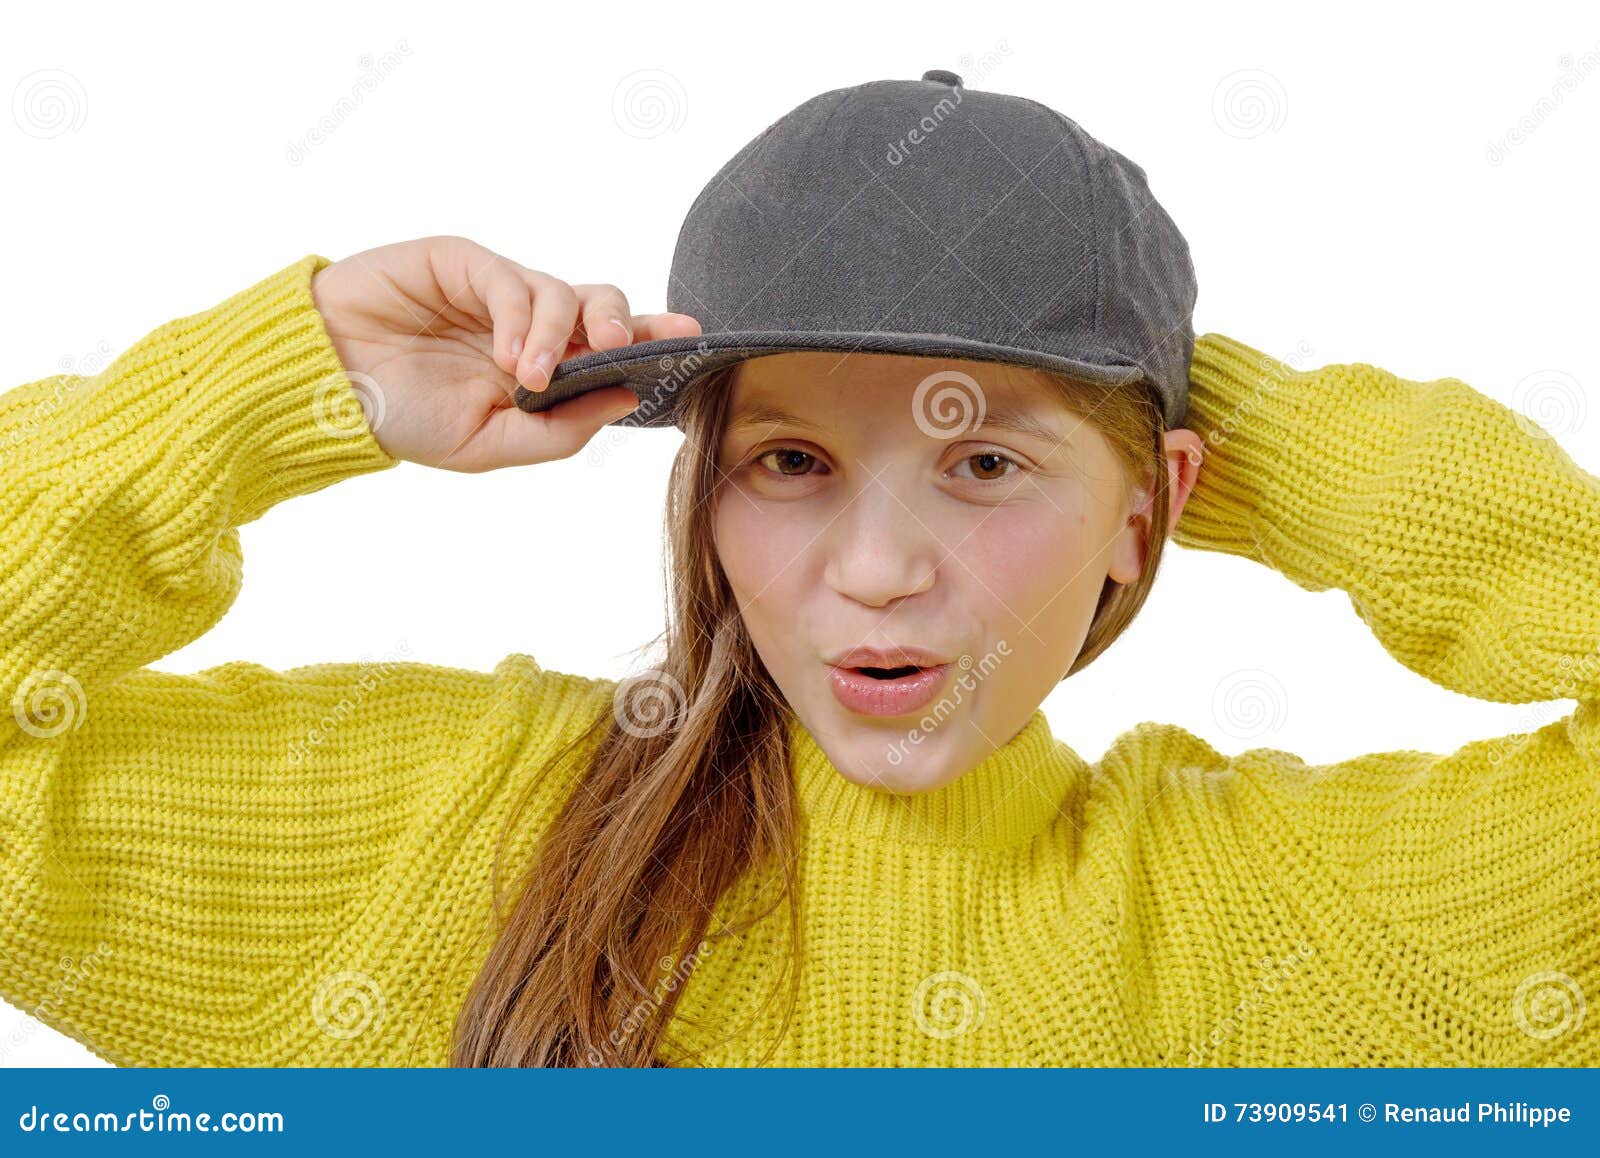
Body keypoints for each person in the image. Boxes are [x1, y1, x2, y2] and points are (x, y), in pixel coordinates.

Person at [1, 234, 1596, 1068]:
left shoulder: (1301, 917)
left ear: (1146, 508)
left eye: (985, 459)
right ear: (707, 494)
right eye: (790, 460)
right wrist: (291, 379)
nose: (879, 569)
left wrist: (1211, 417)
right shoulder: (457, 836)